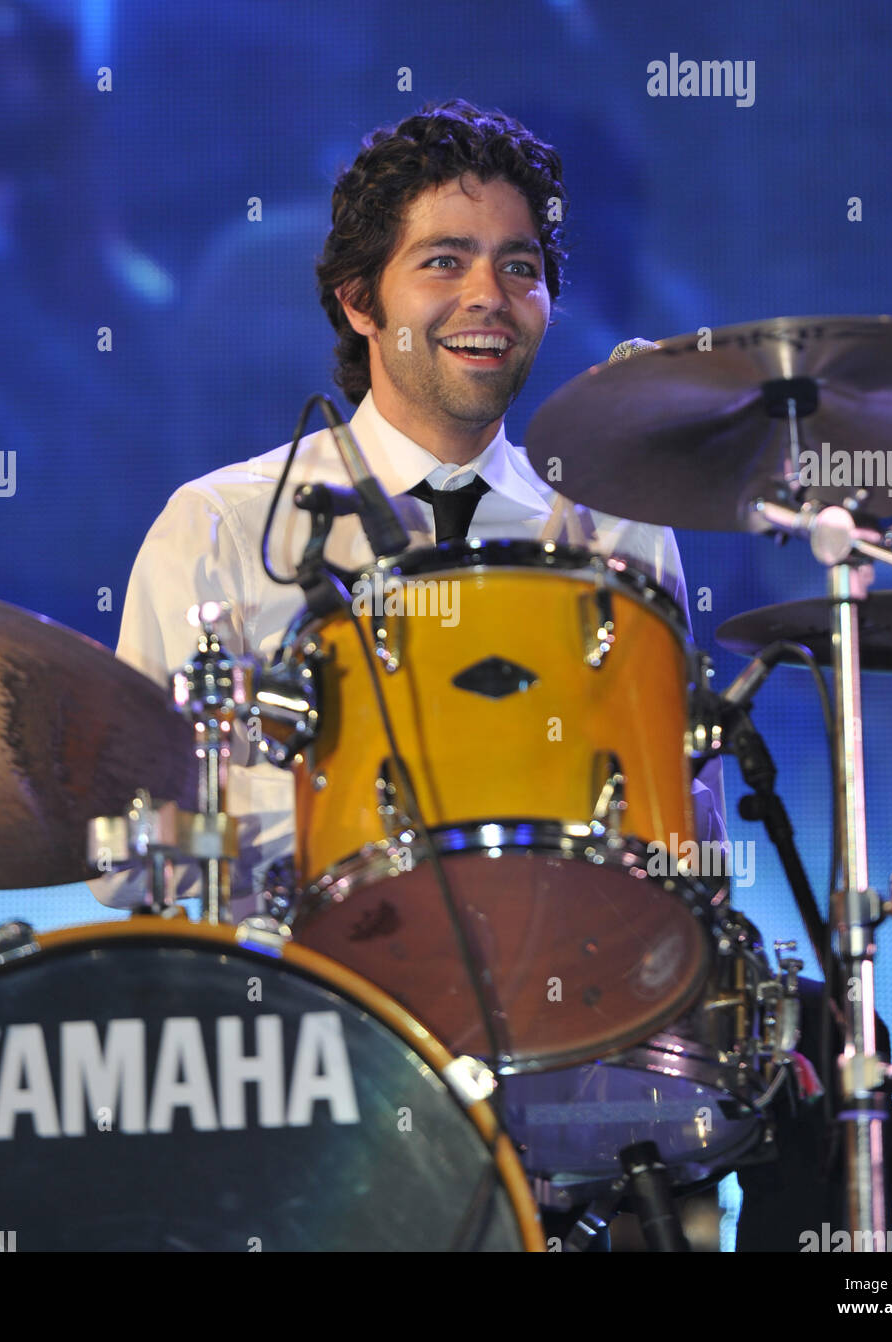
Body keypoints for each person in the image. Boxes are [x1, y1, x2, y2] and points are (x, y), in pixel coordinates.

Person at [91, 98, 724, 915]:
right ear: (360, 303)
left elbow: (692, 855)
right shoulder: (223, 525)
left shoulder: (611, 526)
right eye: (444, 262)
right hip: (307, 1020)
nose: (489, 296)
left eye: (519, 267)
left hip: (557, 1006)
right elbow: (127, 846)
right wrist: (400, 796)